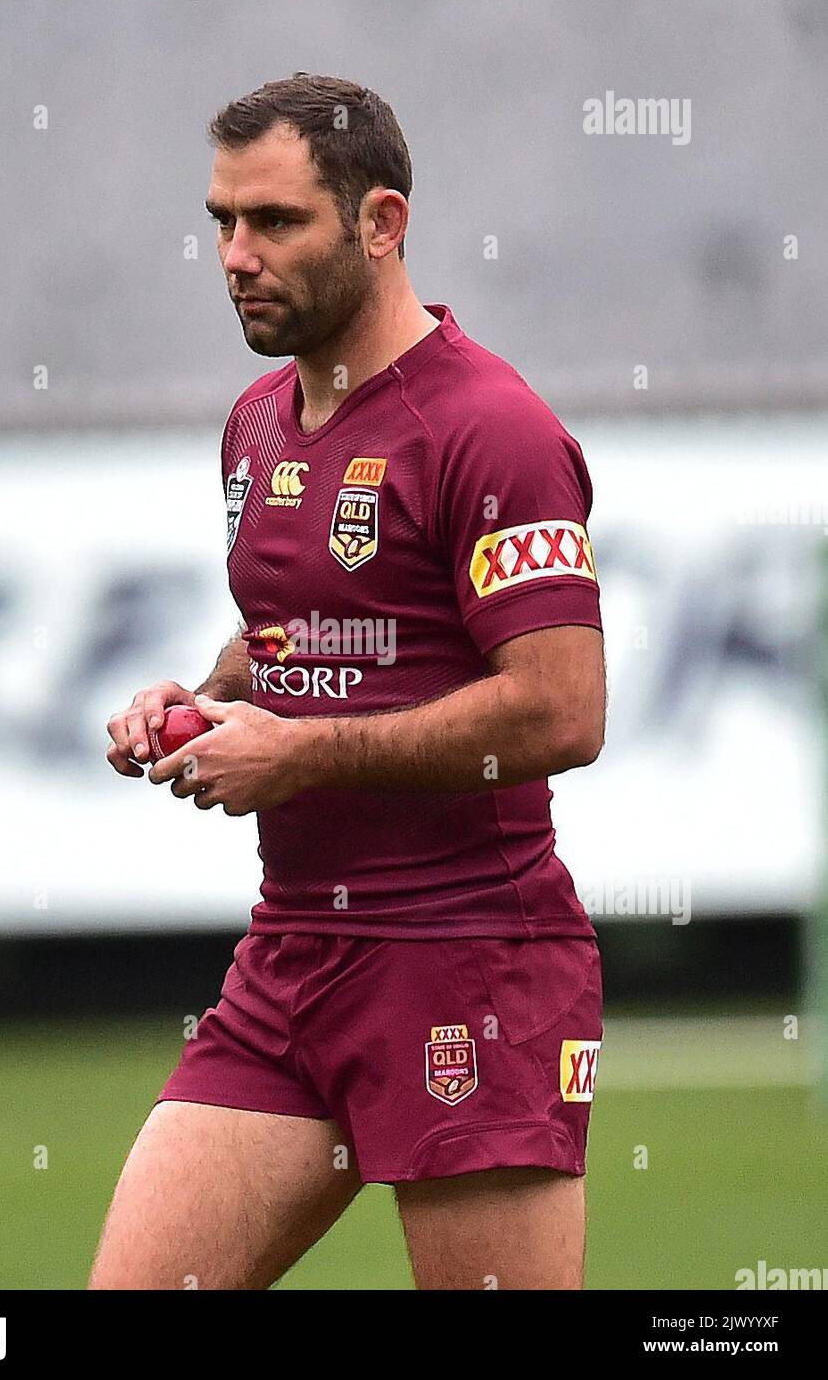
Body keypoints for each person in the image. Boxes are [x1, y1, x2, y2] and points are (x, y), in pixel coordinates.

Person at [91, 73, 606, 1291]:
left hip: (470, 961)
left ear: (381, 223)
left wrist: (302, 751)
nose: (234, 255)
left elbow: (562, 708)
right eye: (220, 220)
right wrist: (202, 701)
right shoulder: (256, 421)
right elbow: (287, 640)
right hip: (291, 957)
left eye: (275, 222)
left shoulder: (494, 429)